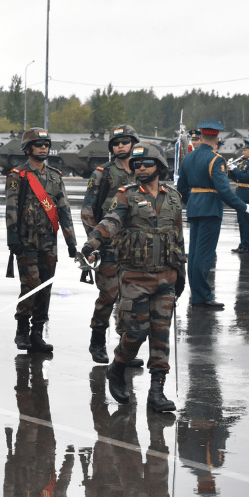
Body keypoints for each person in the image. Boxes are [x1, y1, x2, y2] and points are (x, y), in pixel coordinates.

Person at [79, 144, 184, 412]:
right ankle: (117, 368)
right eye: (137, 164)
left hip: (166, 277)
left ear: (159, 166)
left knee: (161, 335)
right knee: (135, 332)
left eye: (147, 163)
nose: (141, 168)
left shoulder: (173, 198)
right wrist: (92, 243)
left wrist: (181, 273)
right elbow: (111, 221)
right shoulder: (126, 196)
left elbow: (177, 238)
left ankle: (157, 392)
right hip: (136, 279)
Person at [5, 128, 76, 355]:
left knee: (45, 287)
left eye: (46, 144)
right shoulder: (17, 175)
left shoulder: (55, 176)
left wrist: (71, 242)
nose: (43, 147)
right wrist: (12, 237)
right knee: (31, 285)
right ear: (28, 149)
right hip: (25, 240)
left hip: (49, 241)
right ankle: (22, 328)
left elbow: (64, 210)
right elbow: (11, 208)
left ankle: (37, 333)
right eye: (38, 144)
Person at [176, 120, 249, 309]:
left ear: (201, 136)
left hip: (195, 208)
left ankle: (197, 295)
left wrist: (193, 202)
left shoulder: (188, 158)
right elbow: (224, 190)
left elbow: (181, 188)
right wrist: (242, 206)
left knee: (195, 253)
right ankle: (202, 297)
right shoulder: (216, 159)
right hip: (210, 209)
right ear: (216, 139)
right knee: (204, 254)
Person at [80, 125, 137, 363]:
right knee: (108, 296)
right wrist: (95, 243)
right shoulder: (102, 173)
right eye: (116, 143)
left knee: (131, 299)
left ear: (133, 143)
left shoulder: (143, 170)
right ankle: (97, 342)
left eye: (125, 142)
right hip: (108, 245)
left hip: (135, 247)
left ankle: (125, 350)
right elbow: (87, 211)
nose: (121, 146)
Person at [229, 140, 249, 254]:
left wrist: (235, 169)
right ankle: (242, 244)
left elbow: (246, 177)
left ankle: (247, 246)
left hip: (247, 194)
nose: (243, 152)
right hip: (240, 193)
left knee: (247, 222)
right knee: (241, 221)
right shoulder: (245, 162)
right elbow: (237, 178)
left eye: (245, 150)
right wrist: (231, 170)